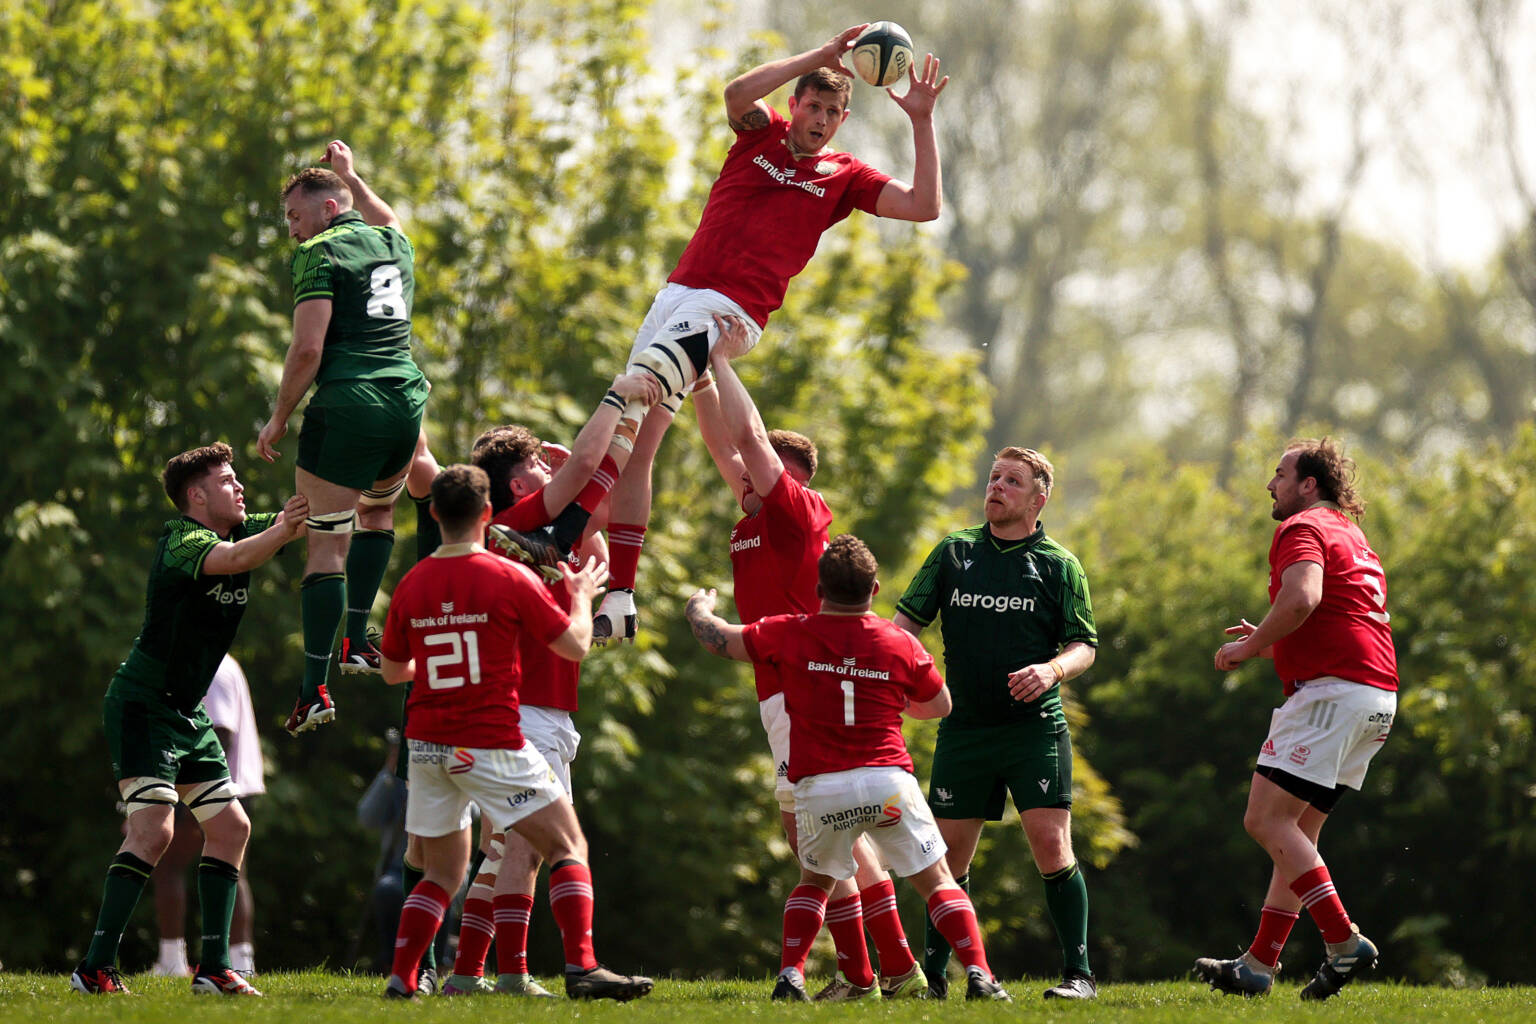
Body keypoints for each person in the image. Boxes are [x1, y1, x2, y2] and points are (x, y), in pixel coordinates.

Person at [590, 25, 949, 645]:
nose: (822, 118)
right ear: (794, 106)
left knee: (633, 391)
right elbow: (734, 92)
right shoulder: (758, 135)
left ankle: (559, 526)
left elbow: (923, 206)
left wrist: (920, 119)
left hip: (728, 312)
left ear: (841, 122)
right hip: (676, 294)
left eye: (835, 112)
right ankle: (620, 595)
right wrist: (822, 56)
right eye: (813, 105)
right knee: (636, 448)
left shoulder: (844, 174)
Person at [691, 316, 926, 999]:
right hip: (781, 691)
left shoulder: (796, 508)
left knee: (813, 837)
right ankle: (892, 972)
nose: (741, 473)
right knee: (839, 841)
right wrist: (699, 374)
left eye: (756, 470)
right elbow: (721, 438)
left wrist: (720, 357)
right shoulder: (753, 513)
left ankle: (866, 973)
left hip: (803, 690)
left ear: (788, 478)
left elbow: (748, 438)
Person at [685, 534, 1010, 1002]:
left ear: (819, 589)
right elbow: (940, 704)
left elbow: (718, 640)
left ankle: (791, 976)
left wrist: (698, 607)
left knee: (815, 882)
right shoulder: (899, 642)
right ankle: (980, 975)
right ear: (874, 590)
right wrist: (895, 702)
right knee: (938, 880)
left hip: (821, 788)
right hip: (888, 782)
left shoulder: (788, 631)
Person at [376, 464, 653, 1002]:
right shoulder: (509, 576)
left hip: (428, 743)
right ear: (487, 515)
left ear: (433, 514)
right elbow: (574, 645)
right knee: (567, 843)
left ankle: (403, 978)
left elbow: (393, 670)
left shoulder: (413, 583)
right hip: (490, 738)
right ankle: (583, 967)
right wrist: (578, 595)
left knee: (442, 873)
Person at [71, 443, 306, 996]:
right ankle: (95, 967)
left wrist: (355, 484)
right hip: (143, 702)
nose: (240, 487)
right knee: (154, 831)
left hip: (183, 710)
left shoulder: (242, 532)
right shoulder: (184, 539)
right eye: (228, 481)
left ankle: (213, 969)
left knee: (231, 828)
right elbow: (239, 559)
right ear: (196, 496)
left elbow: (297, 520)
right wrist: (286, 527)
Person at [893, 446, 1100, 1001]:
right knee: (946, 857)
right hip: (964, 730)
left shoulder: (1058, 564)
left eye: (1013, 481)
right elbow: (902, 628)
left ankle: (1079, 976)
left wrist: (1051, 669)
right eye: (994, 478)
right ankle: (934, 979)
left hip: (1033, 730)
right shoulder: (953, 552)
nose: (997, 487)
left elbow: (1085, 646)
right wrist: (894, 681)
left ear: (1039, 497)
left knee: (1051, 847)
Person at [1195, 439, 1396, 1001]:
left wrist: (1252, 643)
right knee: (1298, 832)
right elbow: (1335, 616)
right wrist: (1265, 646)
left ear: (1309, 484)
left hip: (1332, 695)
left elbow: (1303, 598)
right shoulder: (1349, 533)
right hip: (1374, 695)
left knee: (1265, 821)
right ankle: (1260, 964)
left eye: (1280, 473)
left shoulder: (1301, 527)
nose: (1271, 484)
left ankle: (1342, 940)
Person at [259, 139, 431, 736]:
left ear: (329, 209)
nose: (291, 231)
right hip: (406, 404)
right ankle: (359, 639)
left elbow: (308, 348)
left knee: (325, 545)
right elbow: (388, 216)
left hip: (349, 403)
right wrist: (353, 175)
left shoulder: (318, 254)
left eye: (296, 216)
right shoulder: (394, 242)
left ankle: (313, 690)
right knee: (378, 515)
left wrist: (279, 416)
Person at [148, 655, 265, 977]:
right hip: (233, 783)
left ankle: (172, 961)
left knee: (170, 865)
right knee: (231, 873)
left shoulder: (210, 668)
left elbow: (220, 733)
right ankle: (240, 961)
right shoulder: (222, 662)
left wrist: (187, 800)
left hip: (212, 786)